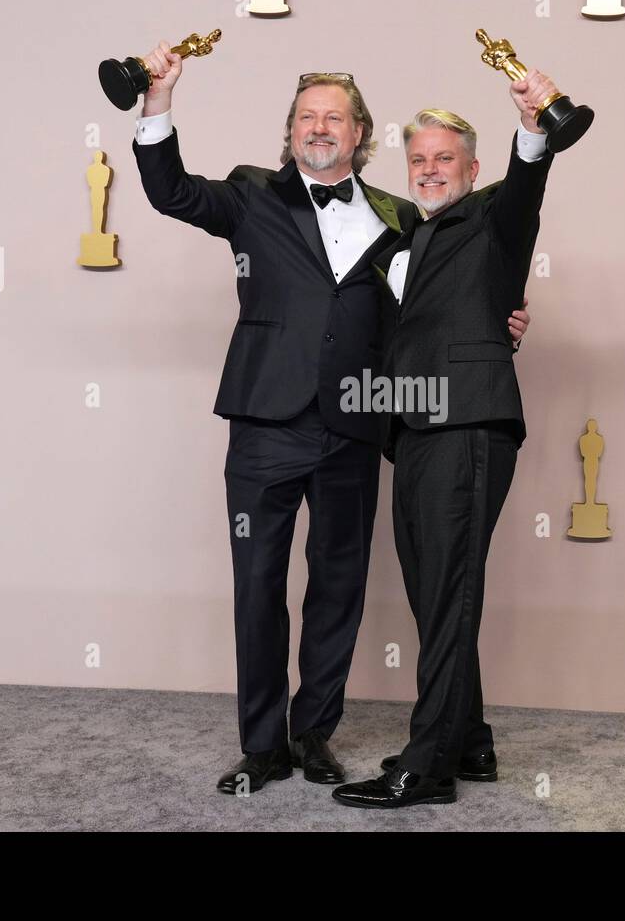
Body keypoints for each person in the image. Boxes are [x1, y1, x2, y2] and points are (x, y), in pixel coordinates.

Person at [130, 43, 531, 794]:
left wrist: (503, 317)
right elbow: (170, 192)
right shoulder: (250, 195)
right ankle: (262, 744)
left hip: (357, 424)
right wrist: (158, 102)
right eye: (307, 117)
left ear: (360, 136)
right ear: (290, 133)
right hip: (263, 421)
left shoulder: (403, 215)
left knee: (339, 587)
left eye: (336, 118)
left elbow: (449, 292)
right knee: (257, 584)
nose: (320, 128)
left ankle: (314, 734)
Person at [332, 69, 560, 808]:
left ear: (473, 168)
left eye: (444, 160)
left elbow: (528, 183)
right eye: (419, 162)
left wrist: (533, 128)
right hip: (416, 427)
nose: (430, 171)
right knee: (440, 593)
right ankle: (470, 740)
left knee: (450, 588)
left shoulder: (494, 219)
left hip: (466, 425)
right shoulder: (406, 239)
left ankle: (426, 766)